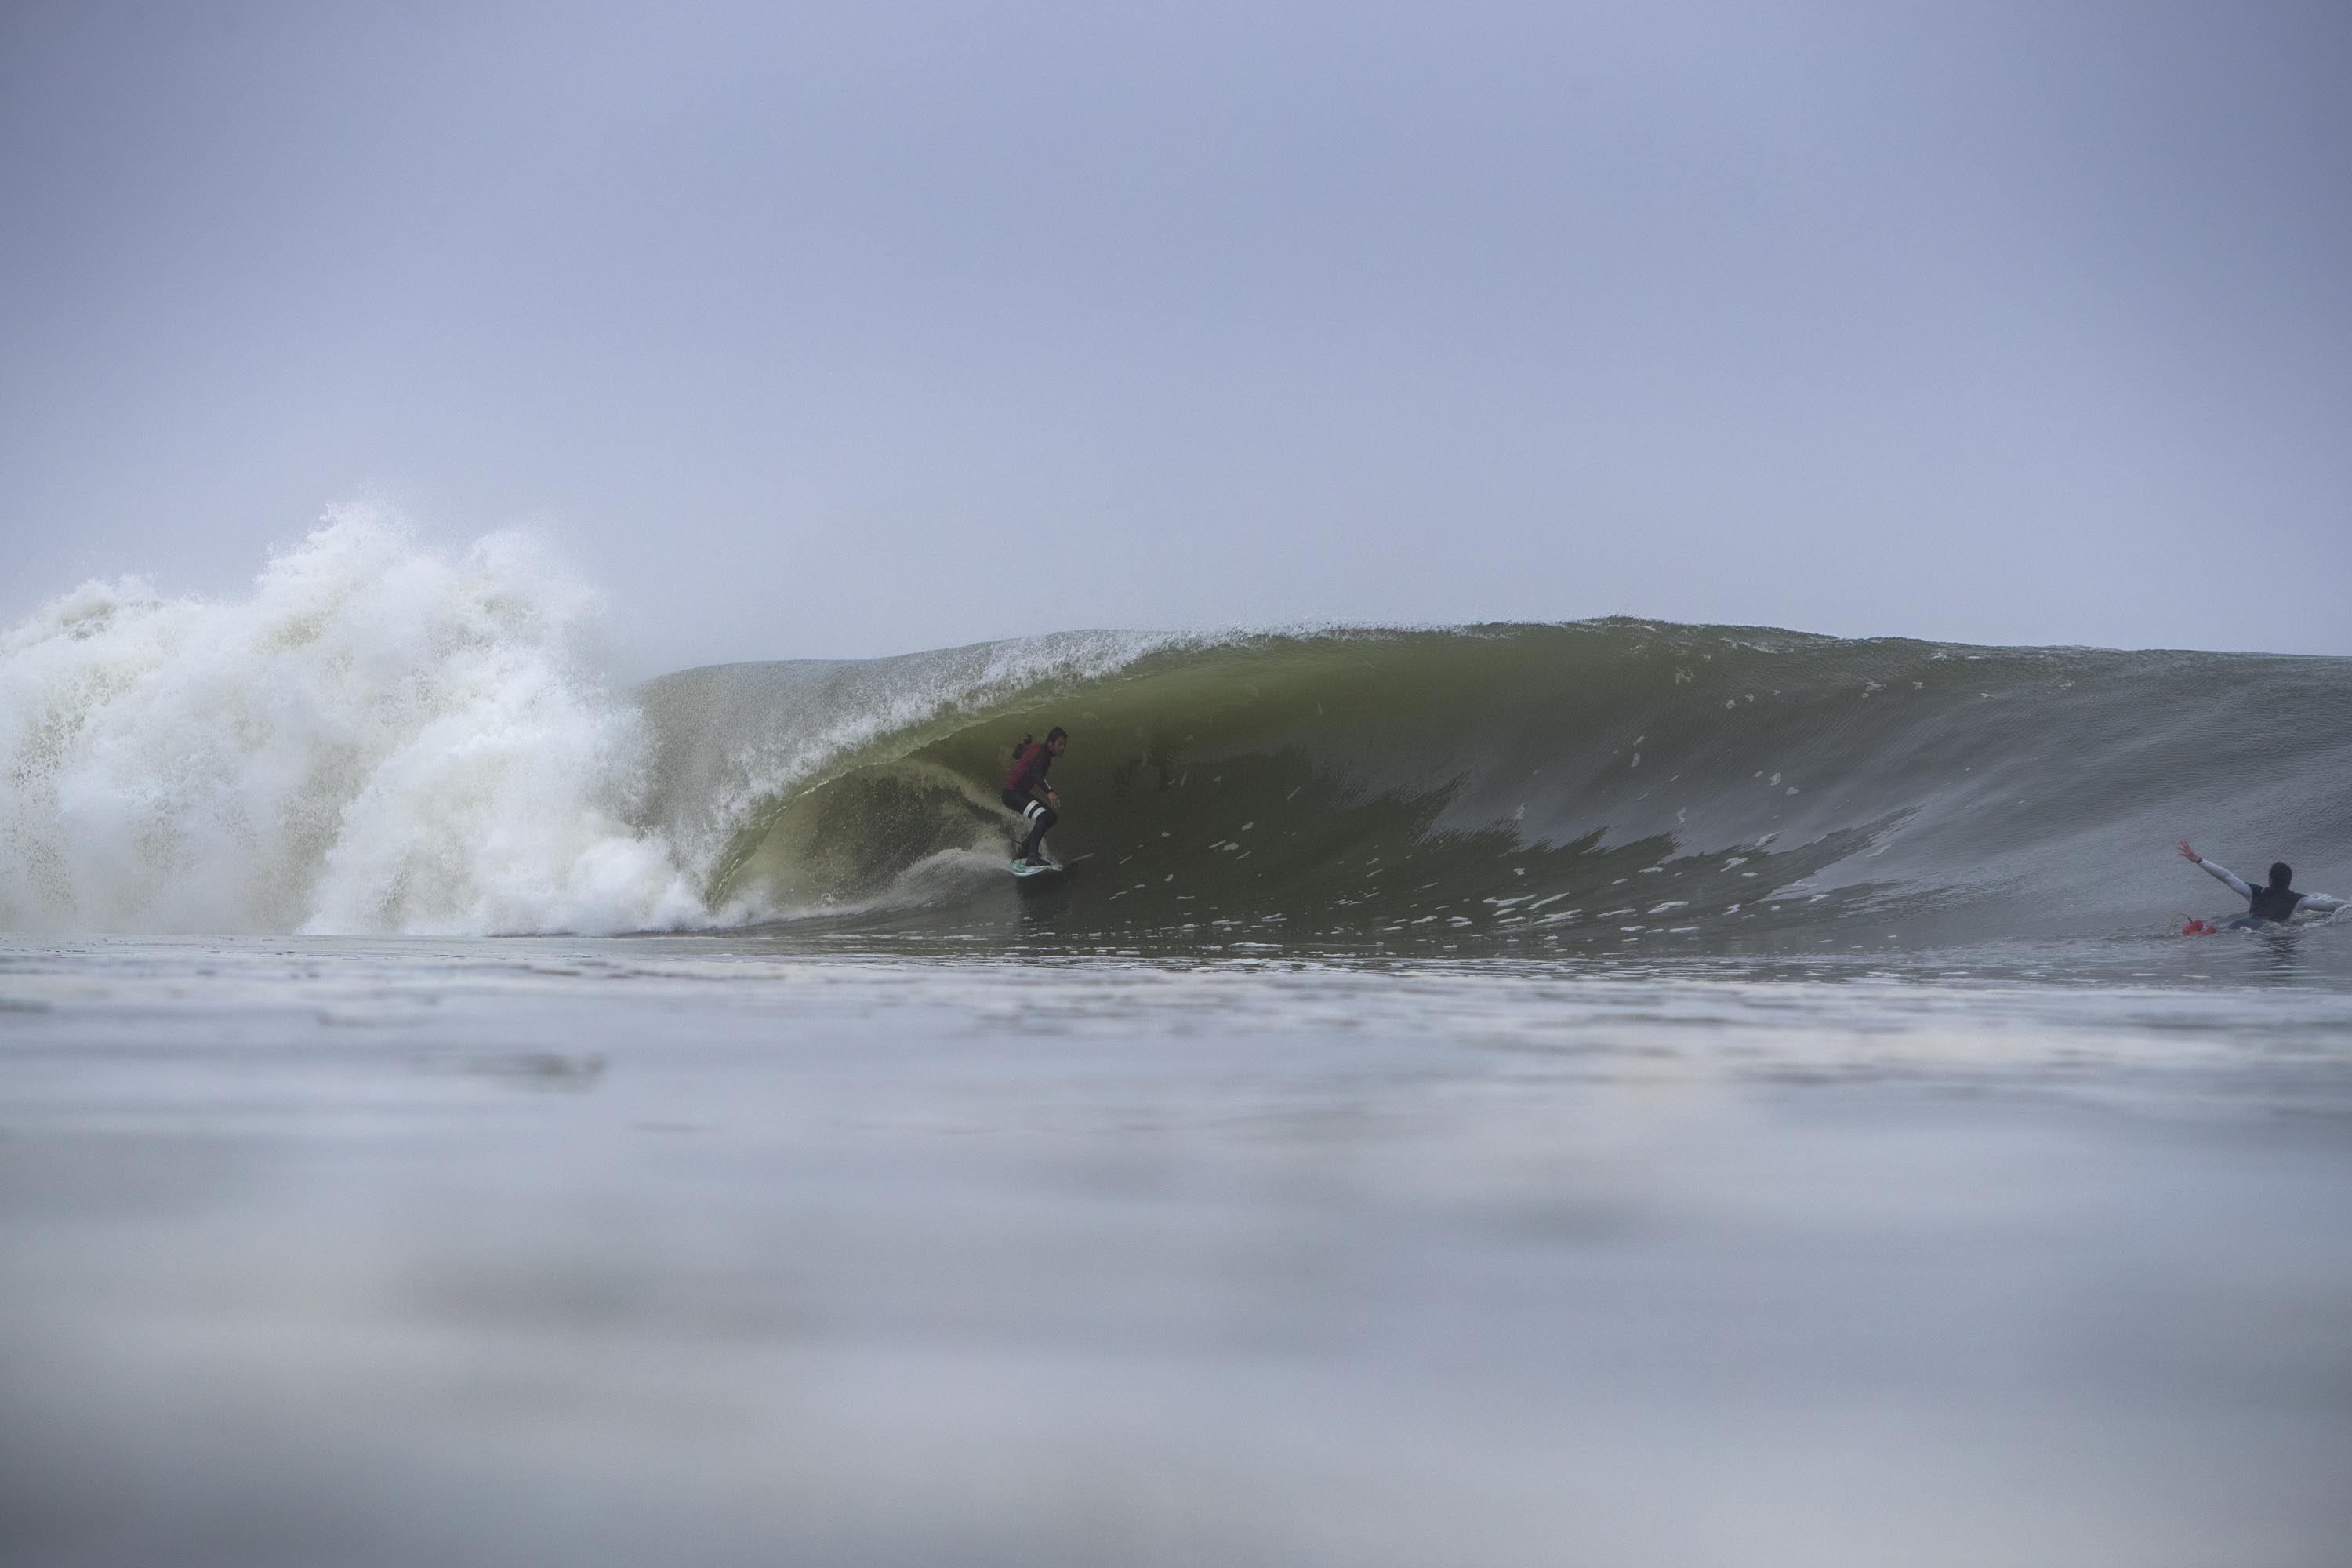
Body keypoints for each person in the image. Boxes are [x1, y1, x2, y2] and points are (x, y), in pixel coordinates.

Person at [2178, 842, 2344, 929]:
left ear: (2270, 880)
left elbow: (2228, 877)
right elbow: (2330, 906)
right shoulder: (2300, 900)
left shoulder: (2255, 892)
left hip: (2240, 924)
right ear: (2289, 882)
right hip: (2267, 929)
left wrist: (2198, 860)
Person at [1003, 728, 1068, 867]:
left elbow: (1016, 754)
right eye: (1060, 744)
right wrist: (1049, 791)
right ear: (1051, 744)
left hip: (1016, 793)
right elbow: (1036, 774)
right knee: (1043, 817)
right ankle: (1031, 857)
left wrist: (1022, 744)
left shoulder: (1035, 747)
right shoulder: (1043, 754)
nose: (1063, 748)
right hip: (1013, 793)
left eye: (1064, 745)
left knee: (1051, 817)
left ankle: (1025, 850)